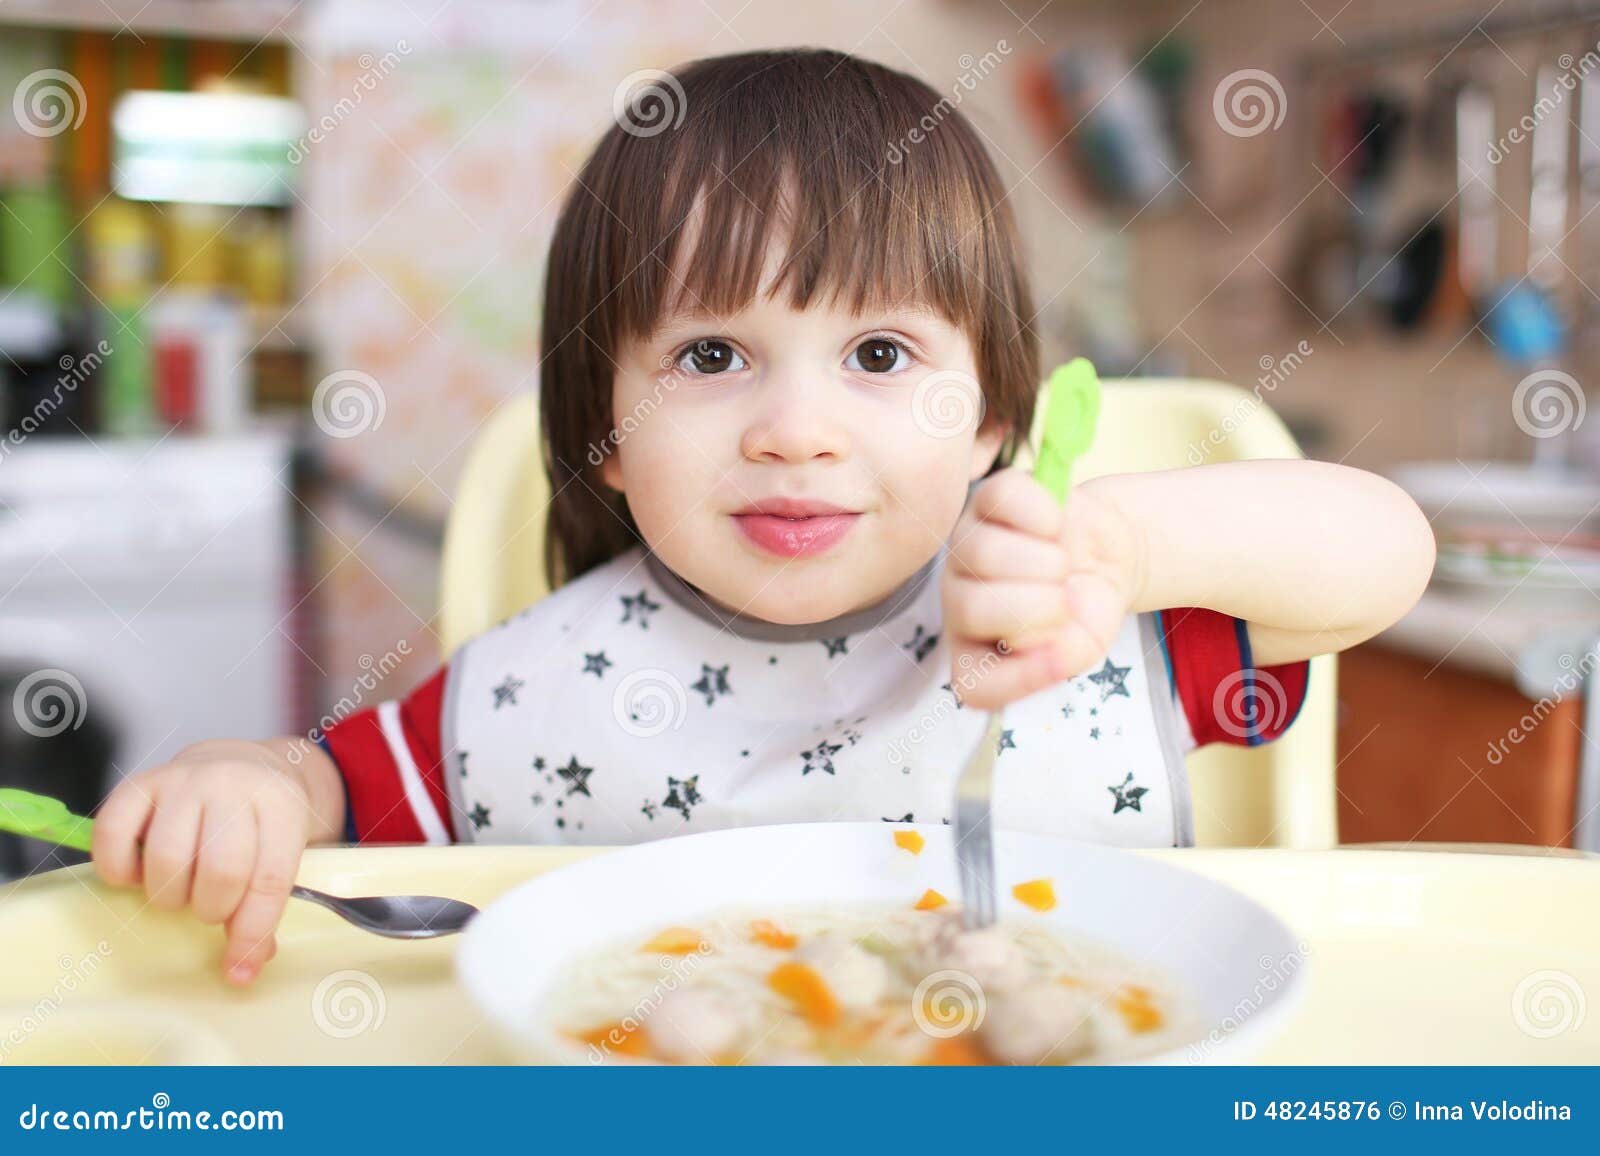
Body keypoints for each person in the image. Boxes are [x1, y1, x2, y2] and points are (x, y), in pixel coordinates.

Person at [90, 49, 1435, 985]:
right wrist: (253, 786)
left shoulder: (1065, 610)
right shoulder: (547, 684)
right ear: (603, 433)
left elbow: (1386, 557)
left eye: (881, 358)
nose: (797, 429)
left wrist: (1127, 550)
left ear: (988, 422)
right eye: (713, 357)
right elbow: (335, 787)